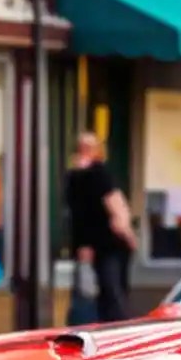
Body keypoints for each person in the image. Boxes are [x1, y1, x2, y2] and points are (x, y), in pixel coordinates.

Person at [66, 132, 137, 323]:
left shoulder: (76, 176)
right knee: (112, 293)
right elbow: (116, 207)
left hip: (97, 244)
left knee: (98, 292)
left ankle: (104, 325)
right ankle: (117, 327)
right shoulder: (99, 173)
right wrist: (129, 236)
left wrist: (82, 244)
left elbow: (78, 215)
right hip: (108, 243)